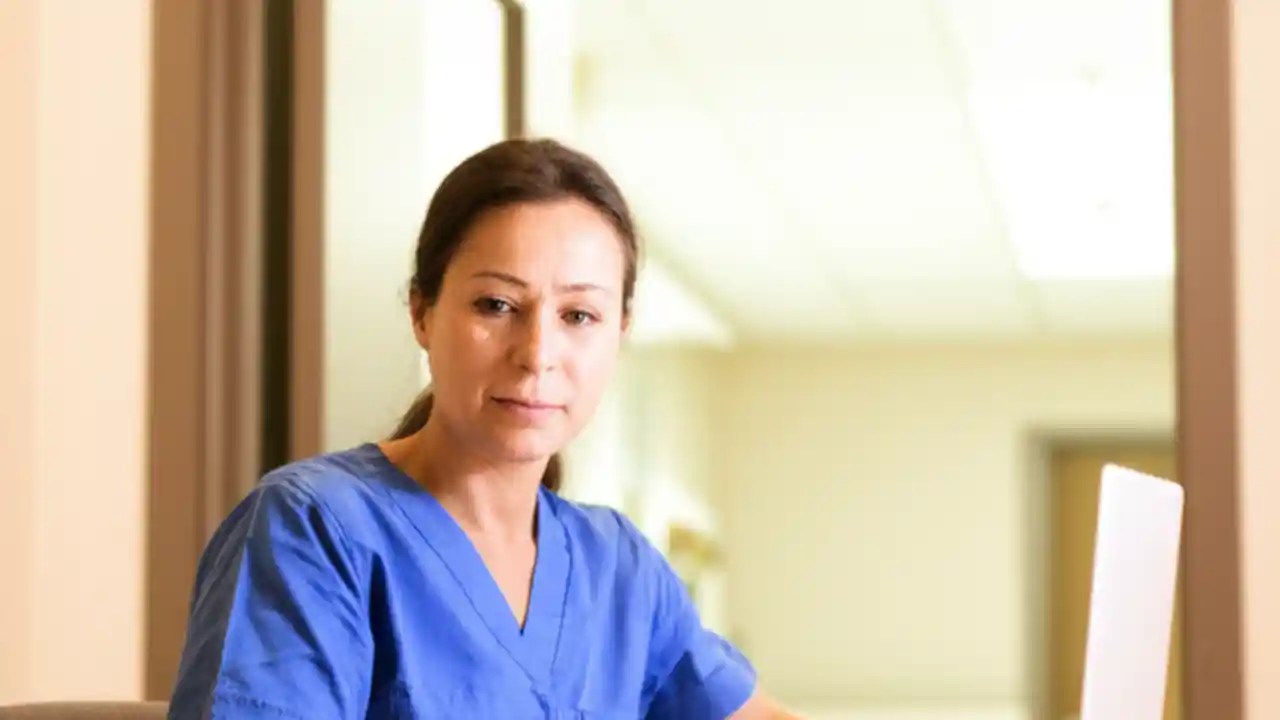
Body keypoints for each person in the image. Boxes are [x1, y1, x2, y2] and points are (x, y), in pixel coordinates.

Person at [167, 138, 799, 719]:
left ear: (620, 334)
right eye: (497, 305)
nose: (536, 352)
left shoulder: (621, 573)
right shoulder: (317, 529)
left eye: (580, 315)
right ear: (422, 312)